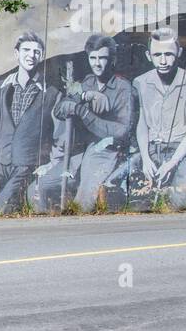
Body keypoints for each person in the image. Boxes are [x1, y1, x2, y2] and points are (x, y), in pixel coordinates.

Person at [31, 34, 137, 211]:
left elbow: (121, 131)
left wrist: (83, 111)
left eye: (102, 58)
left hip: (108, 153)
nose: (97, 63)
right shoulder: (87, 83)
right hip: (81, 154)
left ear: (112, 60)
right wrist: (84, 96)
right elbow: (60, 109)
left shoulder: (123, 88)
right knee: (39, 187)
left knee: (84, 201)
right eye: (93, 58)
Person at [0, 32, 60, 213]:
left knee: (1, 208)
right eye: (26, 50)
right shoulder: (0, 89)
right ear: (17, 54)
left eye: (37, 52)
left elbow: (58, 135)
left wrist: (51, 164)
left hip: (26, 166)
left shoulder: (52, 93)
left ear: (42, 56)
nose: (31, 55)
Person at [133, 27, 186, 207]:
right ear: (148, 55)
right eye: (157, 55)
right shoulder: (140, 83)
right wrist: (145, 158)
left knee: (180, 202)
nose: (163, 61)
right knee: (129, 196)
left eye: (169, 54)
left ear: (179, 53)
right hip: (150, 151)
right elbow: (142, 124)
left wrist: (172, 163)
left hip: (181, 152)